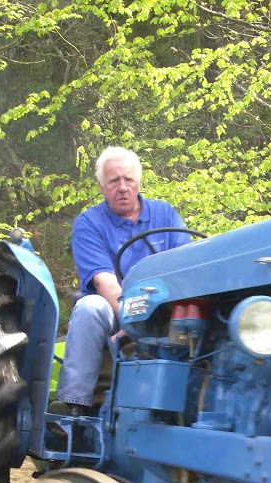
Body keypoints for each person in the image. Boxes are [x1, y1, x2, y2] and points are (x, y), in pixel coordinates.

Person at [51, 147, 190, 416]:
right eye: (114, 181)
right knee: (91, 307)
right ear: (102, 186)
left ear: (139, 182)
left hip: (167, 306)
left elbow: (185, 266)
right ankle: (74, 406)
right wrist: (136, 322)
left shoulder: (165, 214)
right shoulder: (89, 223)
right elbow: (106, 283)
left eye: (128, 179)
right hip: (117, 312)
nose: (123, 187)